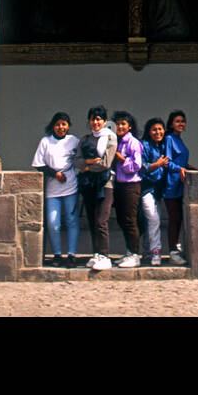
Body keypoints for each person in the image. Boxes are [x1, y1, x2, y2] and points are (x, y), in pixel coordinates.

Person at [32, 111, 81, 268]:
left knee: (72, 220)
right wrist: (55, 174)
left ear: (68, 126)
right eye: (58, 124)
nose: (61, 127)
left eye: (64, 124)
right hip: (53, 188)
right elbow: (39, 165)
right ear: (53, 126)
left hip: (70, 185)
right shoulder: (46, 142)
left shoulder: (73, 141)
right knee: (53, 223)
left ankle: (72, 254)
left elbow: (82, 158)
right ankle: (57, 254)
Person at [78, 105, 117, 271]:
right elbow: (77, 161)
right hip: (88, 184)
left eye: (99, 119)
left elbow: (106, 163)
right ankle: (96, 253)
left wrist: (88, 167)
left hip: (105, 183)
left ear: (105, 121)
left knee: (102, 220)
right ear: (89, 121)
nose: (96, 122)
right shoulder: (84, 139)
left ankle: (105, 254)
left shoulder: (110, 138)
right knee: (92, 220)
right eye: (93, 119)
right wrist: (87, 163)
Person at [110, 111, 143, 268]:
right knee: (122, 220)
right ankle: (128, 252)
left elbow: (136, 165)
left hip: (131, 185)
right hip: (119, 185)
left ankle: (135, 254)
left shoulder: (133, 142)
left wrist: (122, 160)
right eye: (117, 124)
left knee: (130, 220)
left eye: (123, 124)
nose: (120, 126)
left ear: (129, 126)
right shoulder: (116, 141)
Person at [139, 117, 169, 265]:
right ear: (149, 131)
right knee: (153, 219)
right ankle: (156, 252)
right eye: (154, 129)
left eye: (160, 129)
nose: (158, 132)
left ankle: (147, 252)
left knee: (151, 220)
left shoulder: (163, 145)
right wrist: (157, 165)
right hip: (146, 188)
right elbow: (142, 167)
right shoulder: (144, 145)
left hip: (158, 189)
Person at [163, 109, 191, 264]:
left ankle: (177, 246)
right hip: (172, 183)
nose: (181, 124)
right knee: (174, 218)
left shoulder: (180, 140)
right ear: (171, 124)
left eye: (183, 121)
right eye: (177, 121)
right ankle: (173, 250)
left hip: (181, 182)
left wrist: (190, 168)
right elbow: (168, 161)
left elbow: (181, 161)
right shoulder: (169, 139)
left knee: (180, 218)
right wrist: (178, 169)